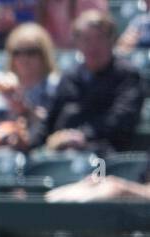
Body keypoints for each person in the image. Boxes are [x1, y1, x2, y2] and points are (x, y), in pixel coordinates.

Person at [38, 10, 144, 155]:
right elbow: (50, 120)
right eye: (86, 39)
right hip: (62, 150)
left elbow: (122, 119)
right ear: (77, 43)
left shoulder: (127, 75)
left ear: (111, 40)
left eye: (99, 38)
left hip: (107, 153)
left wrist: (83, 135)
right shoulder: (70, 77)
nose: (93, 46)